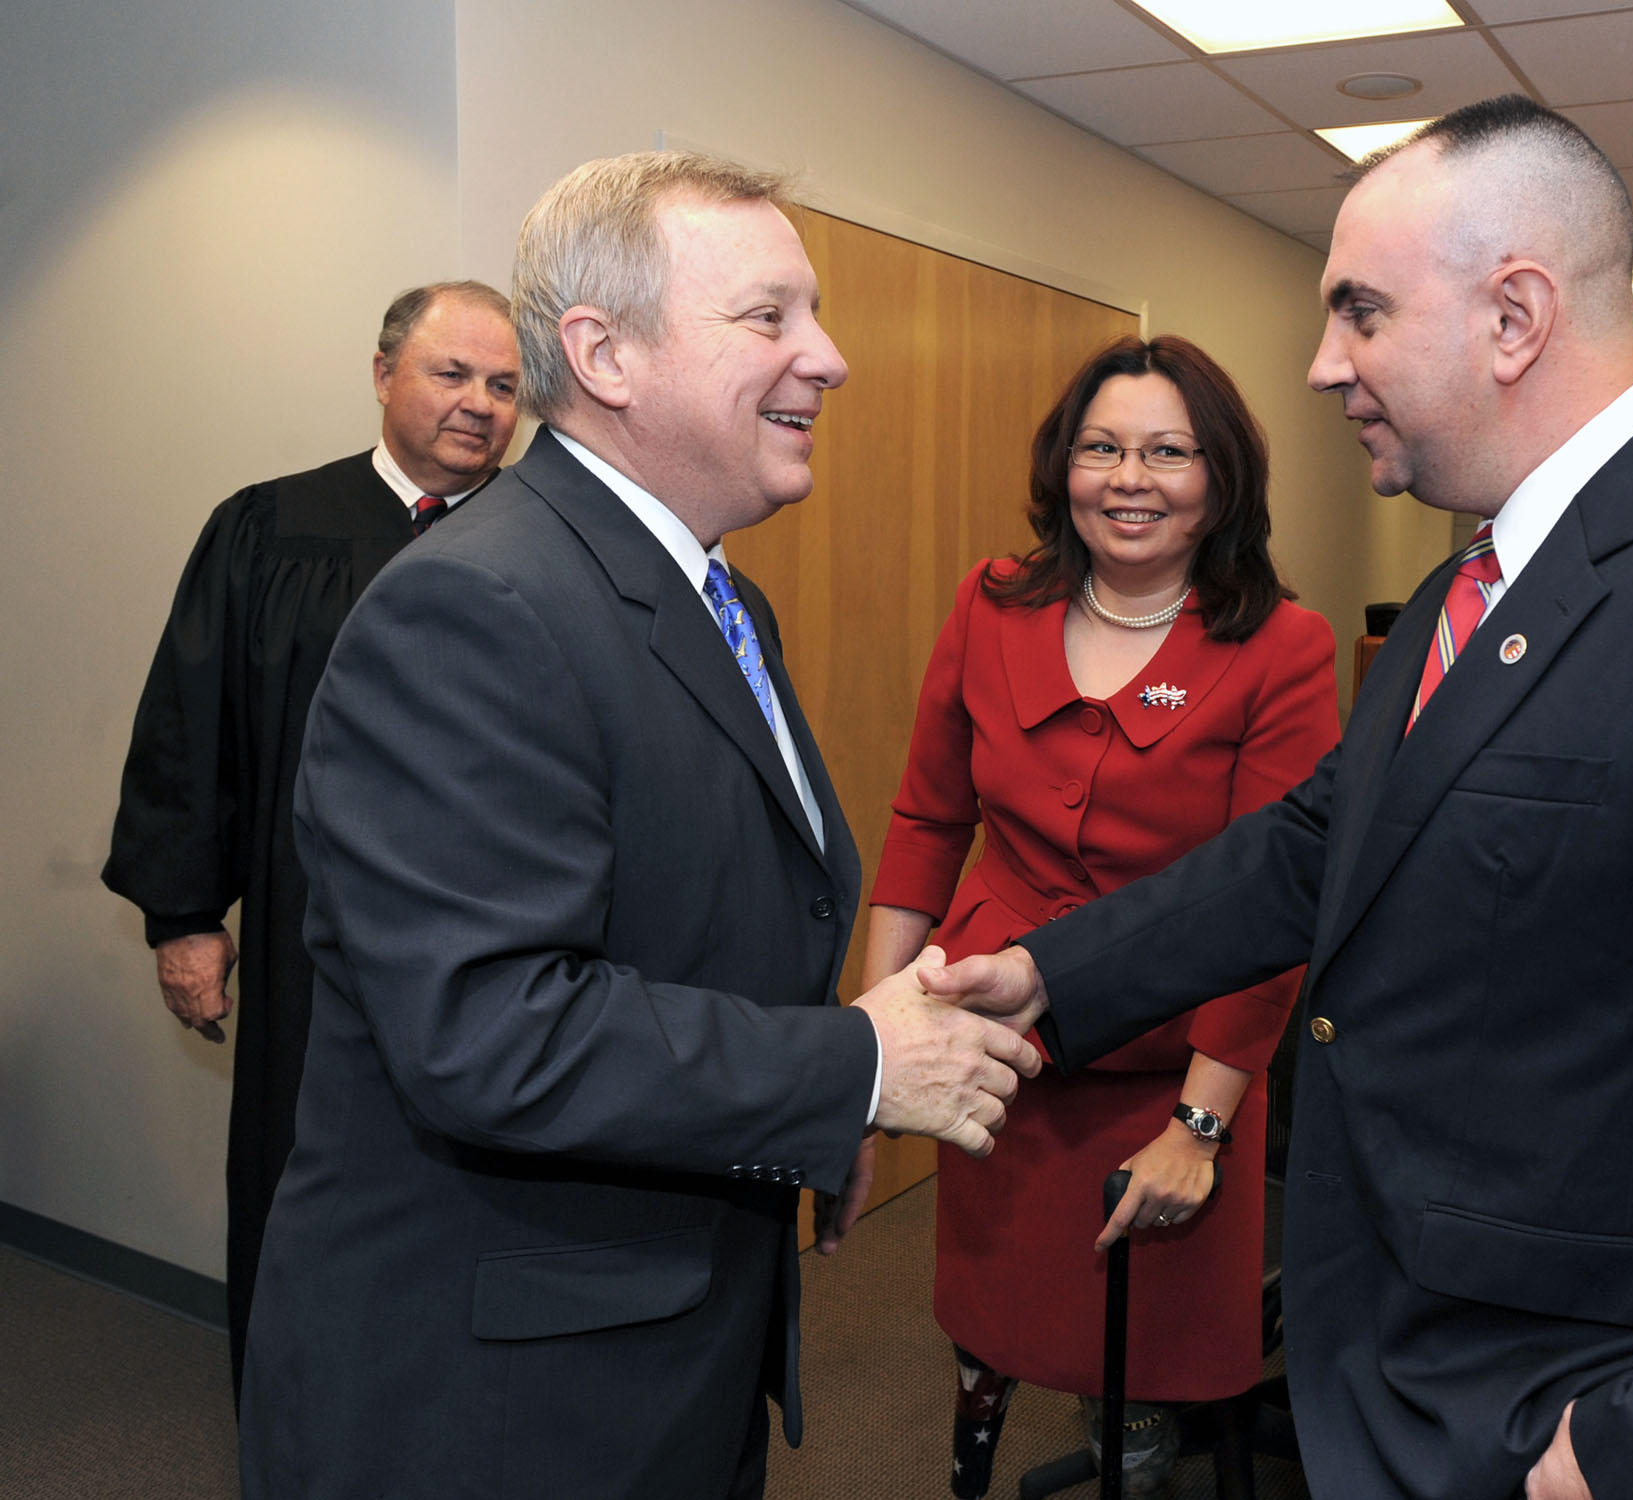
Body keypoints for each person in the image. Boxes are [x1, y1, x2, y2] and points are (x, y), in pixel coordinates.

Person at [929, 95, 1633, 1500]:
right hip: (1391, 1346)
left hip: (1562, 1407)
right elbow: (1322, 845)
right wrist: (1043, 971)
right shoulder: (1463, 589)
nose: (1324, 367)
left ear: (1514, 317)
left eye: (1360, 314)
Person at [236, 151, 1039, 1500]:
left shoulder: (715, 597)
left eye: (816, 314)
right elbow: (489, 1028)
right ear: (606, 356)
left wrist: (813, 1109)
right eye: (770, 318)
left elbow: (700, 928)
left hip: (654, 1342)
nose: (829, 358)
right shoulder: (478, 609)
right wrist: (847, 1068)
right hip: (495, 1405)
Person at [864, 336, 1337, 1498]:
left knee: (1136, 1374)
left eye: (1169, 452)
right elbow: (926, 823)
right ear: (1062, 468)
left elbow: (1276, 908)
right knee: (991, 1335)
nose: (1130, 478)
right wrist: (869, 1038)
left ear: (1219, 478)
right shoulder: (990, 604)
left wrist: (1203, 1130)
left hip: (1177, 1070)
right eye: (1102, 448)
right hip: (996, 1056)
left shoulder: (1282, 646)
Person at [101, 280, 520, 1393]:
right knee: (304, 1184)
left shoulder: (552, 544)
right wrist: (185, 918)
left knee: (477, 1200)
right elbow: (194, 731)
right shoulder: (269, 528)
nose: (478, 404)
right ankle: (300, 1427)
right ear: (383, 375)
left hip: (505, 951)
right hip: (307, 942)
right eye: (451, 373)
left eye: (504, 384)